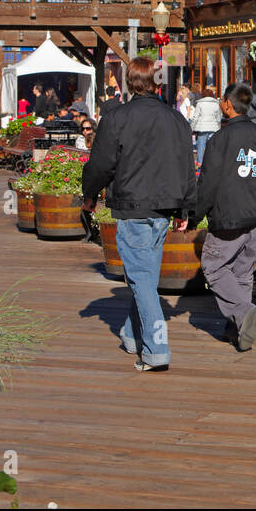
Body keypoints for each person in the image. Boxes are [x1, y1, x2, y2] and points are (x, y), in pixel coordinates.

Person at [82, 57, 197, 372]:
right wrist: (186, 207)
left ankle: (157, 348)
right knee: (145, 274)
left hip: (133, 206)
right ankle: (132, 336)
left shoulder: (117, 118)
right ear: (156, 83)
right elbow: (188, 165)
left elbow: (101, 163)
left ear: (129, 83)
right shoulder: (176, 120)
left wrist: (89, 196)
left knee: (142, 278)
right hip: (163, 208)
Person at [194, 82, 256, 352]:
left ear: (228, 105)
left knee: (214, 266)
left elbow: (207, 184)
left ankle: (244, 314)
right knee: (242, 273)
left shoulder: (219, 140)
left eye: (223, 101)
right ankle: (237, 330)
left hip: (228, 217)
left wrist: (195, 214)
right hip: (255, 216)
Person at [190, 84, 223, 168]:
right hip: (213, 128)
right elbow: (219, 117)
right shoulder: (216, 104)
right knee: (213, 146)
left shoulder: (200, 104)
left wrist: (191, 127)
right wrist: (218, 127)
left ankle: (200, 163)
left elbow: (195, 117)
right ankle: (213, 162)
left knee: (201, 146)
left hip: (202, 128)